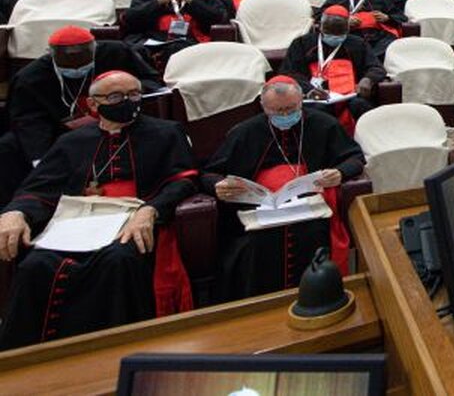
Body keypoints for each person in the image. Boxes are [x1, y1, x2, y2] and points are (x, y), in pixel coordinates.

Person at [0, 71, 198, 348]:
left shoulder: (165, 133)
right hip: (76, 221)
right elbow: (39, 188)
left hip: (132, 220)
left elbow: (183, 181)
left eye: (134, 94)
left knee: (117, 260)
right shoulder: (72, 141)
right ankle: (28, 355)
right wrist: (16, 212)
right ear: (93, 104)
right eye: (116, 96)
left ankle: (113, 349)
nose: (128, 101)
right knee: (35, 265)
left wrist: (150, 210)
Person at [204, 76, 364, 301]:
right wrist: (218, 185)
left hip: (312, 207)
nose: (286, 115)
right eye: (278, 111)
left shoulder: (324, 124)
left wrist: (340, 172)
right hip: (259, 211)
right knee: (254, 245)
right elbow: (209, 173)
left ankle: (319, 299)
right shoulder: (245, 132)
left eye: (292, 108)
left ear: (301, 101)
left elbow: (355, 157)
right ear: (263, 107)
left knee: (314, 233)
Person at [0, 26, 161, 202]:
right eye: (68, 66)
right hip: (59, 133)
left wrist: (120, 98)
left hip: (120, 121)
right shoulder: (30, 77)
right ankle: (22, 203)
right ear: (51, 55)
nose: (76, 69)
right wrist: (42, 160)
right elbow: (28, 120)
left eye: (82, 64)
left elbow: (151, 82)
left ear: (94, 49)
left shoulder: (116, 54)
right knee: (8, 146)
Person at [279, 5, 385, 131]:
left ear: (348, 28)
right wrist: (309, 90)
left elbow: (376, 67)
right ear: (320, 27)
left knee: (361, 106)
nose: (334, 36)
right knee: (315, 111)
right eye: (329, 31)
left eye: (339, 32)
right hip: (313, 97)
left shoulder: (358, 44)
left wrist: (368, 79)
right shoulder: (302, 43)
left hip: (349, 98)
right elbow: (288, 72)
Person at [320, 0, 406, 60]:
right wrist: (343, 21)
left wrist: (386, 18)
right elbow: (320, 15)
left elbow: (401, 17)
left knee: (389, 44)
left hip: (377, 38)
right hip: (348, 35)